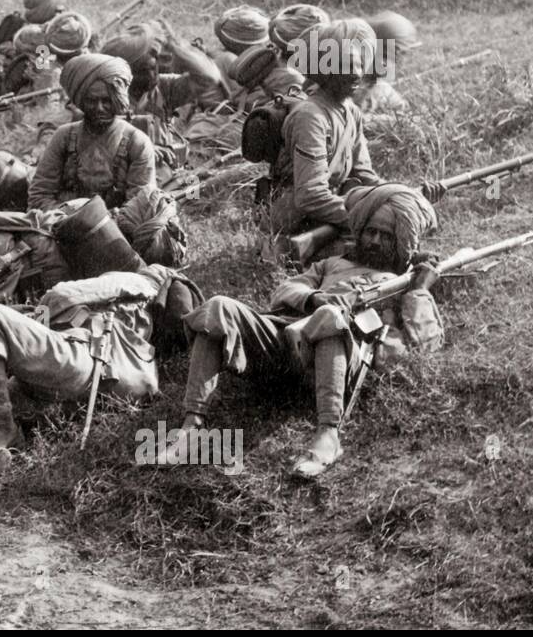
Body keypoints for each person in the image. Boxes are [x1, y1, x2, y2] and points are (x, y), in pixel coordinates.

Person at [173, 184, 441, 478]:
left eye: (386, 236)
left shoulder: (402, 282)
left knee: (330, 317)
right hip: (286, 340)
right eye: (370, 232)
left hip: (333, 358)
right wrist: (314, 297)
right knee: (218, 307)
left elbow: (423, 343)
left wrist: (419, 291)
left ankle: (329, 434)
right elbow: (286, 289)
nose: (374, 240)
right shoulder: (332, 263)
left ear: (402, 243)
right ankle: (191, 426)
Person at [0, 262, 200, 500]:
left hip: (86, 359)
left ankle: (1, 426)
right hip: (96, 387)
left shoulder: (135, 281)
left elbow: (61, 296)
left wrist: (33, 318)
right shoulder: (144, 328)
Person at [264, 19, 382, 234]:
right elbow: (310, 196)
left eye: (358, 64)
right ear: (324, 70)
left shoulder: (350, 110)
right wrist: (366, 218)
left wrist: (398, 195)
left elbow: (365, 175)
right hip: (300, 222)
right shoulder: (310, 117)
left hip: (333, 209)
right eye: (346, 65)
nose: (356, 73)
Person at [101, 18, 228, 180]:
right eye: (145, 70)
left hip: (166, 175)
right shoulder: (104, 100)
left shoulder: (162, 88)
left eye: (155, 67)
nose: (154, 74)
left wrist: (174, 45)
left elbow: (208, 78)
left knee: (197, 190)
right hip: (124, 180)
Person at [28, 54, 156, 211]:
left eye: (106, 101)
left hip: (117, 230)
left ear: (118, 100)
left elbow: (140, 206)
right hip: (62, 224)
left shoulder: (137, 143)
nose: (99, 108)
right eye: (92, 100)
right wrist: (69, 216)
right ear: (81, 101)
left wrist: (102, 223)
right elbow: (39, 195)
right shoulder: (63, 137)